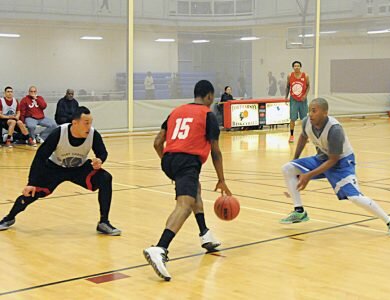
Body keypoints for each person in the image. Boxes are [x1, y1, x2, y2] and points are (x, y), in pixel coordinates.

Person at [143, 80, 232, 281]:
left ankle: (205, 234)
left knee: (195, 190)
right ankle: (160, 248)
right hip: (187, 161)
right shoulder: (208, 115)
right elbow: (216, 153)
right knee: (185, 204)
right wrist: (221, 180)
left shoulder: (175, 111)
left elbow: (157, 142)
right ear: (209, 96)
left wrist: (170, 165)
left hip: (169, 159)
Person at [280, 98, 390, 237]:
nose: (310, 114)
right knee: (288, 168)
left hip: (341, 163)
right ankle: (299, 211)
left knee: (355, 197)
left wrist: (309, 175)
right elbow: (302, 137)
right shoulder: (307, 122)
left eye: (314, 110)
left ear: (325, 113)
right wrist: (296, 160)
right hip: (322, 158)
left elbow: (333, 160)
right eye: (309, 110)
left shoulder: (334, 129)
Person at [0, 106, 121, 236]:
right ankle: (9, 218)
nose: (89, 126)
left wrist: (100, 160)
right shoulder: (59, 133)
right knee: (32, 193)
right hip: (54, 169)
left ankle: (104, 222)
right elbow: (40, 156)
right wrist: (31, 182)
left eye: (91, 123)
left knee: (105, 178)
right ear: (75, 123)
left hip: (79, 169)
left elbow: (102, 152)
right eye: (86, 123)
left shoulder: (93, 134)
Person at [286, 61, 310, 143]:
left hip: (302, 100)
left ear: (300, 67)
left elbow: (308, 86)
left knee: (304, 119)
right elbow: (287, 86)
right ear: (293, 67)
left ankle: (305, 135)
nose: (297, 67)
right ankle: (291, 135)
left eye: (298, 66)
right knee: (292, 119)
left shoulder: (305, 76)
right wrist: (286, 97)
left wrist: (305, 95)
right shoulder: (290, 76)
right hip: (294, 100)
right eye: (295, 66)